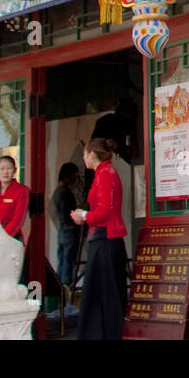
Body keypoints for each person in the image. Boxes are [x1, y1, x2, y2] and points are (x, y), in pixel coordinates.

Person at [71, 138, 127, 340]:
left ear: (92, 154)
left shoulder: (105, 174)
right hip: (105, 236)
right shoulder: (104, 173)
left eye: (85, 154)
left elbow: (105, 210)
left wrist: (84, 215)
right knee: (103, 290)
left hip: (105, 237)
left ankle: (104, 334)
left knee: (102, 291)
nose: (84, 158)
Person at [0, 156, 30, 242]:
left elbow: (19, 219)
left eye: (9, 168)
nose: (5, 172)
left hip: (13, 238)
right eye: (2, 169)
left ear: (15, 170)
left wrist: (3, 236)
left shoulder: (22, 190)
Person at [52, 163, 80, 289]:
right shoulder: (64, 192)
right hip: (69, 229)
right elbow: (66, 213)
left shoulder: (59, 191)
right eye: (74, 175)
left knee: (62, 260)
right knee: (68, 261)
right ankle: (65, 287)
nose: (75, 178)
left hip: (63, 230)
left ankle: (60, 287)